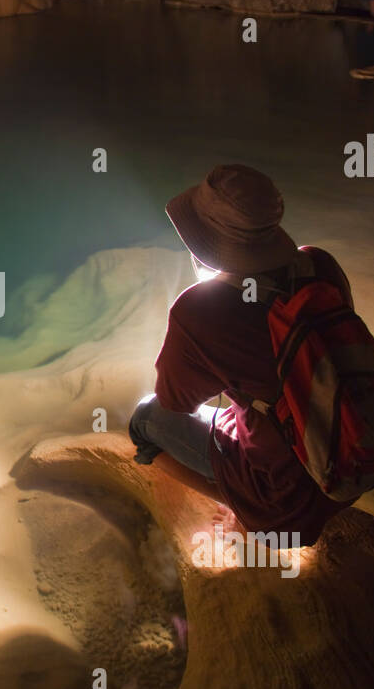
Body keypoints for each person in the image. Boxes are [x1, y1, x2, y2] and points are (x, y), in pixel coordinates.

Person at [128, 165, 353, 545]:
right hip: (349, 455)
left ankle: (245, 509)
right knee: (255, 405)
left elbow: (175, 400)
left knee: (144, 419)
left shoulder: (200, 310)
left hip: (285, 496)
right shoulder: (319, 264)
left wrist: (196, 343)